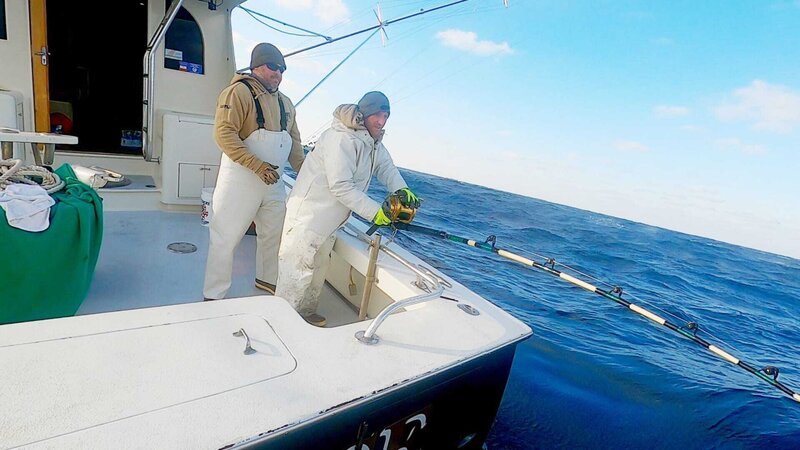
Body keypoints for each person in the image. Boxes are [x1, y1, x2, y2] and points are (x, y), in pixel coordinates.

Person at [275, 91, 420, 326]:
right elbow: (340, 186)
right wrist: (377, 213)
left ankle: (305, 314)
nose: (382, 121)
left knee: (318, 268)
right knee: (296, 271)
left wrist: (402, 191)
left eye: (386, 116)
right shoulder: (340, 138)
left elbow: (387, 169)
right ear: (364, 115)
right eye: (377, 115)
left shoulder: (373, 143)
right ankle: (282, 323)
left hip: (330, 220)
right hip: (308, 216)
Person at [203, 43, 304, 300]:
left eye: (282, 69)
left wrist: (307, 175)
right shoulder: (237, 92)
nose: (278, 74)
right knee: (225, 237)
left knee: (273, 234)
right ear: (256, 65)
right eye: (273, 67)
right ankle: (214, 294)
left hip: (273, 183)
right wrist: (257, 165)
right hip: (241, 180)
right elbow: (224, 134)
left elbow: (294, 146)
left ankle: (267, 281)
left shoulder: (287, 104)